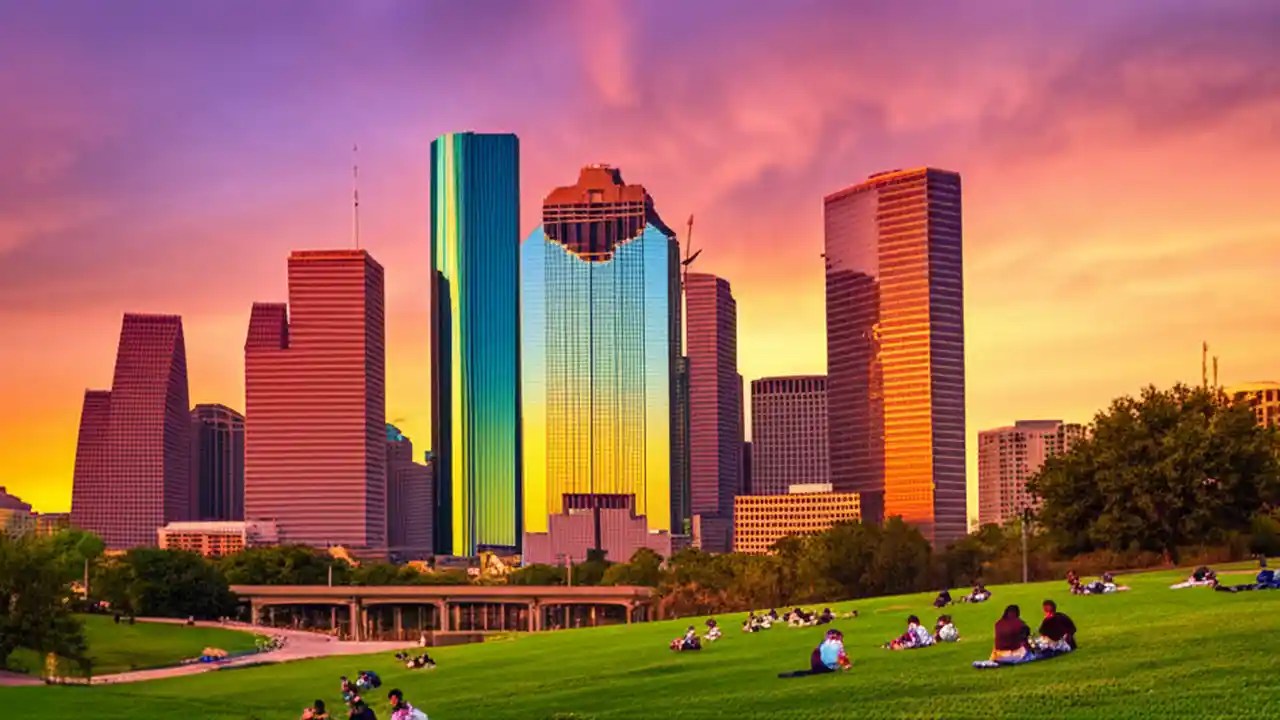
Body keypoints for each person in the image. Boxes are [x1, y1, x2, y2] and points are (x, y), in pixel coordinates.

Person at [777, 629, 850, 678]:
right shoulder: (837, 644)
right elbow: (841, 657)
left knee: (807, 672)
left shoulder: (824, 644)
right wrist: (845, 665)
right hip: (825, 667)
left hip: (817, 665)